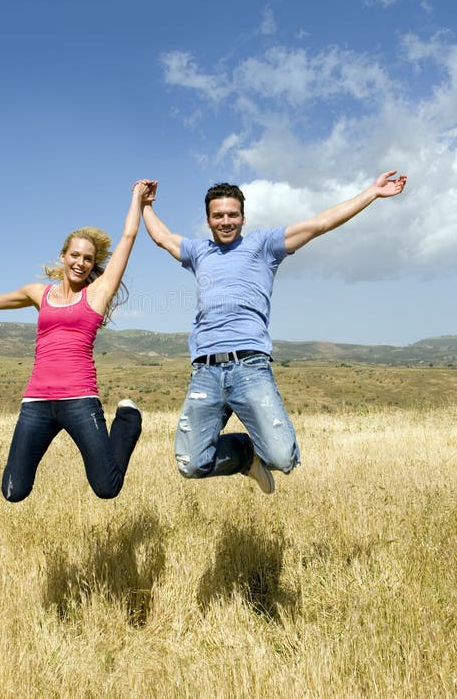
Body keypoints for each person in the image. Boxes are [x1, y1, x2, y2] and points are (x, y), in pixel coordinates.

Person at [139, 170, 407, 494]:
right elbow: (163, 237)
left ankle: (257, 454)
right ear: (208, 220)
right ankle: (243, 454)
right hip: (205, 371)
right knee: (191, 464)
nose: (226, 221)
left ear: (243, 217)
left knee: (282, 458)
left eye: (232, 215)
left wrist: (372, 193)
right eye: (218, 215)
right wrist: (145, 205)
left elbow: (320, 223)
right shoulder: (199, 252)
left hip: (250, 367)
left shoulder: (263, 246)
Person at [0, 181, 157, 502]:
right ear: (63, 256)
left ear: (93, 264)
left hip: (79, 399)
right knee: (13, 491)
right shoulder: (40, 293)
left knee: (107, 487)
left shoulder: (98, 293)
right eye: (75, 255)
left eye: (88, 259)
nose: (80, 263)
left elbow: (128, 237)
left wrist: (137, 198)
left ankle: (128, 420)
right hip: (36, 402)